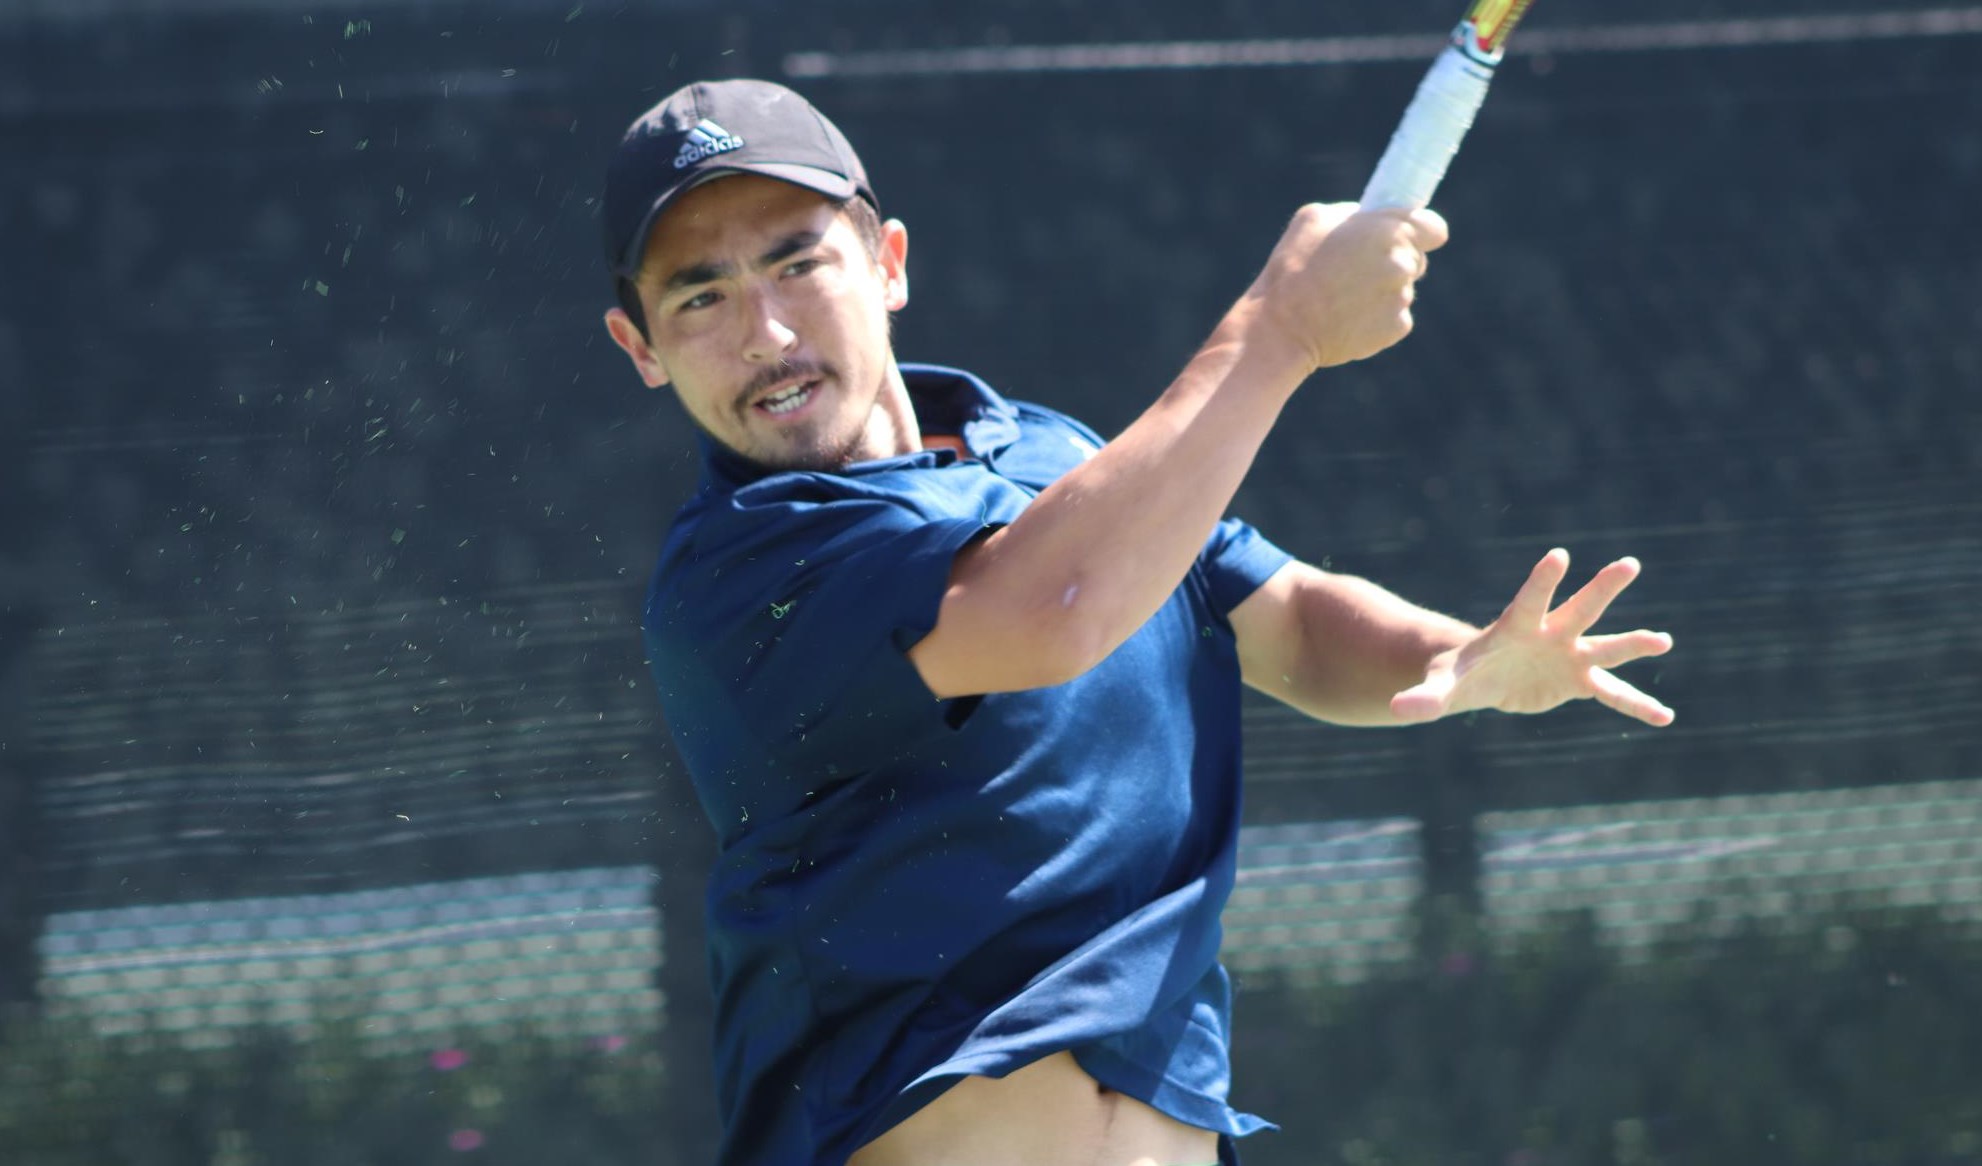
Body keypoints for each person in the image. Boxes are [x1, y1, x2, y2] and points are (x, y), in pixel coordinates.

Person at [600, 78, 1674, 1166]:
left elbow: (1287, 621)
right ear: (639, 345)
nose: (767, 331)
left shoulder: (1048, 459)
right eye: (701, 298)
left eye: (797, 263)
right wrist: (1282, 327)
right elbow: (1054, 609)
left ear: (886, 262)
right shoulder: (742, 572)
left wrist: (1459, 657)